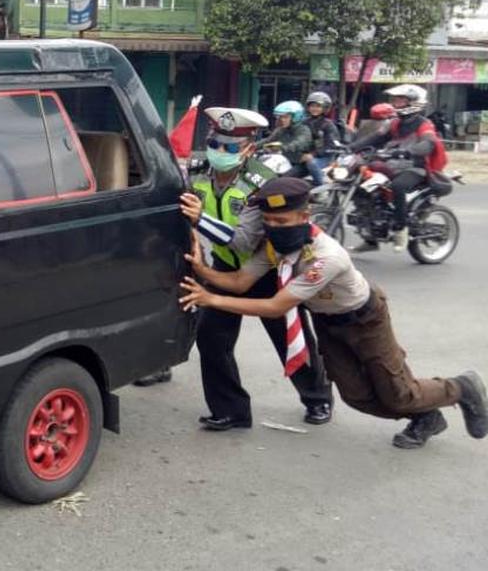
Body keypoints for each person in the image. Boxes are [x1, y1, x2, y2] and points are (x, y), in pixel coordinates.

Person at [180, 177, 487, 449]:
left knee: (398, 394)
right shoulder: (274, 248)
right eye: (269, 221)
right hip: (328, 323)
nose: (273, 228)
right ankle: (427, 415)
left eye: (282, 221)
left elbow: (276, 306)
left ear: (304, 216)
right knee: (356, 397)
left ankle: (461, 387)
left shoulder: (326, 257)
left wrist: (211, 299)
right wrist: (201, 268)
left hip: (365, 320)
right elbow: (240, 281)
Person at [138, 107, 333, 429]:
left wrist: (200, 218)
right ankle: (231, 410)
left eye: (230, 148)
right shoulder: (198, 173)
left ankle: (317, 398)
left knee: (290, 338)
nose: (219, 152)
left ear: (248, 149)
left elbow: (242, 241)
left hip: (267, 269)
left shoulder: (263, 184)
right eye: (215, 144)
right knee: (212, 338)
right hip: (222, 269)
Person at [348, 84, 446, 252]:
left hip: (415, 167)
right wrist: (351, 147)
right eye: (394, 100)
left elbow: (428, 143)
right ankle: (371, 235)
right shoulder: (394, 123)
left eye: (400, 100)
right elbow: (375, 137)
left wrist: (408, 151)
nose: (395, 103)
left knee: (398, 186)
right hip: (392, 164)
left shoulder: (425, 124)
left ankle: (401, 228)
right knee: (360, 179)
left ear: (414, 103)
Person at [259, 101, 317, 184]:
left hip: (299, 162)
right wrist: (251, 146)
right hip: (284, 161)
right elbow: (268, 140)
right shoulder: (280, 130)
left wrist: (283, 148)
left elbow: (299, 143)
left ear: (295, 117)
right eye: (280, 117)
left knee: (282, 181)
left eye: (285, 117)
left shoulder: (303, 130)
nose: (282, 120)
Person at [303, 92, 342, 184]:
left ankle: (321, 188)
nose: (314, 108)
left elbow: (331, 146)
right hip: (305, 156)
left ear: (325, 108)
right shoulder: (304, 122)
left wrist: (313, 154)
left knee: (312, 164)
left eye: (318, 106)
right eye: (312, 106)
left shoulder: (328, 125)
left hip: (324, 157)